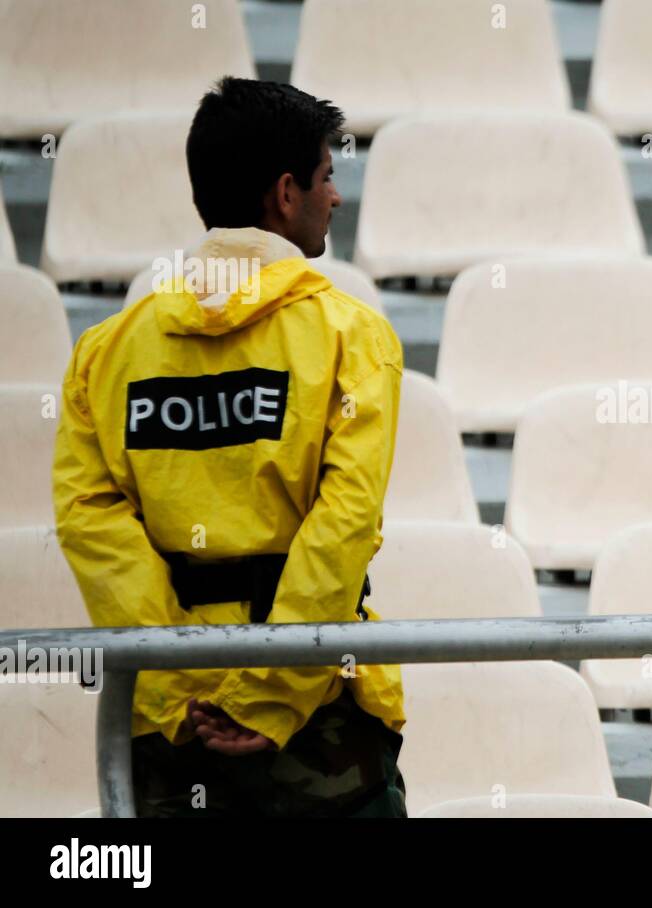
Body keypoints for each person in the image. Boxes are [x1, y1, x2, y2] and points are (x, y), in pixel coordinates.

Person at [52, 77, 406, 817]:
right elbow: (344, 526)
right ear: (285, 193)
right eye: (327, 175)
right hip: (318, 720)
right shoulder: (352, 336)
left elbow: (91, 526)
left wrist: (179, 681)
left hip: (167, 726)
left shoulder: (107, 351)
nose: (335, 197)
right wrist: (269, 691)